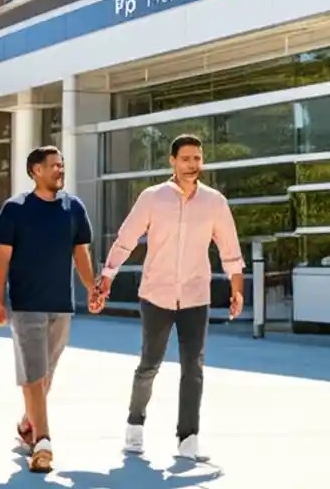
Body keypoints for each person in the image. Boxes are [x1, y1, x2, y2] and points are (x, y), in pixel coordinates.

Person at [90, 133, 244, 461]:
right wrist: (107, 278)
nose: (192, 165)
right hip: (156, 294)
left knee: (194, 367)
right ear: (172, 161)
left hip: (195, 295)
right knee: (150, 363)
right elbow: (126, 238)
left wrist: (237, 287)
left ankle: (188, 437)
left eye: (197, 159)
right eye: (186, 158)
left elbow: (230, 248)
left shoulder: (214, 201)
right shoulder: (152, 197)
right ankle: (135, 424)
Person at [0, 145, 99, 474]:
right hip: (26, 306)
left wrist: (91, 288)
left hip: (60, 306)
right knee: (35, 375)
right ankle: (43, 443)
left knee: (44, 374)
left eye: (61, 165)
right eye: (53, 165)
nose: (59, 170)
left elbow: (80, 253)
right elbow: (2, 260)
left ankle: (28, 422)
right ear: (35, 170)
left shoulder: (73, 208)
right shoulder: (15, 209)